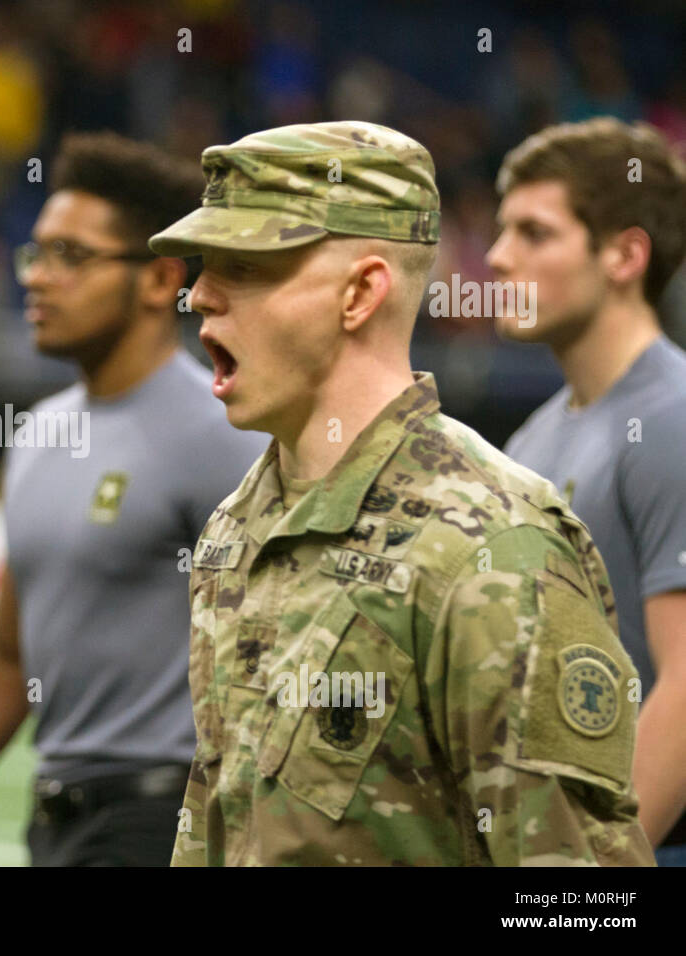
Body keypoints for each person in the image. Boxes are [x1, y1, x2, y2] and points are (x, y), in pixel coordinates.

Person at [150, 120, 655, 866]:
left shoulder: (493, 549)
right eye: (203, 267)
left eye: (246, 267)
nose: (199, 296)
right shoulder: (239, 524)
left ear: (359, 293)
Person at [0, 132, 268, 866]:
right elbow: (6, 658)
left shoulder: (219, 432)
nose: (38, 277)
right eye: (37, 253)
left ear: (159, 282)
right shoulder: (35, 432)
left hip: (163, 821)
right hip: (53, 819)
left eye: (72, 256)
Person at [488, 117, 686, 864]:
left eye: (535, 233)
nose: (499, 259)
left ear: (625, 254)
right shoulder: (533, 439)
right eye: (502, 231)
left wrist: (596, 877)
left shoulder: (673, 419)